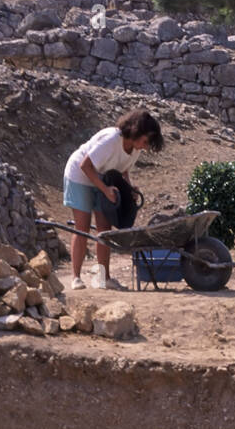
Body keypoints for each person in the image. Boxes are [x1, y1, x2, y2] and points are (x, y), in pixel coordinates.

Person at [62, 109, 163, 292]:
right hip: (80, 175)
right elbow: (86, 165)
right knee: (82, 227)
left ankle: (103, 278)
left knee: (104, 230)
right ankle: (76, 277)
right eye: (146, 141)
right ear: (136, 131)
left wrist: (129, 189)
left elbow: (123, 171)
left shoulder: (135, 150)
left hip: (103, 180)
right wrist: (105, 190)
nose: (146, 146)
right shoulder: (111, 139)